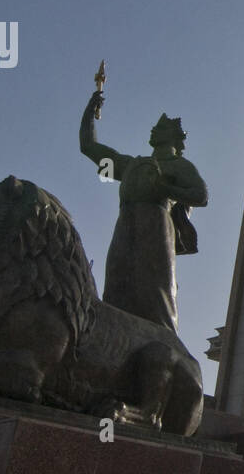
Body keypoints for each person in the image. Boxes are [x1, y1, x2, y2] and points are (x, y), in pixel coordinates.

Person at [79, 90, 207, 331]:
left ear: (173, 138)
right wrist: (89, 113)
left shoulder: (180, 166)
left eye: (160, 128)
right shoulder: (131, 164)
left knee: (154, 294)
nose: (153, 129)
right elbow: (88, 147)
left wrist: (164, 187)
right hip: (125, 225)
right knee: (116, 290)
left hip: (156, 228)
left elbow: (200, 195)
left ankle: (163, 341)